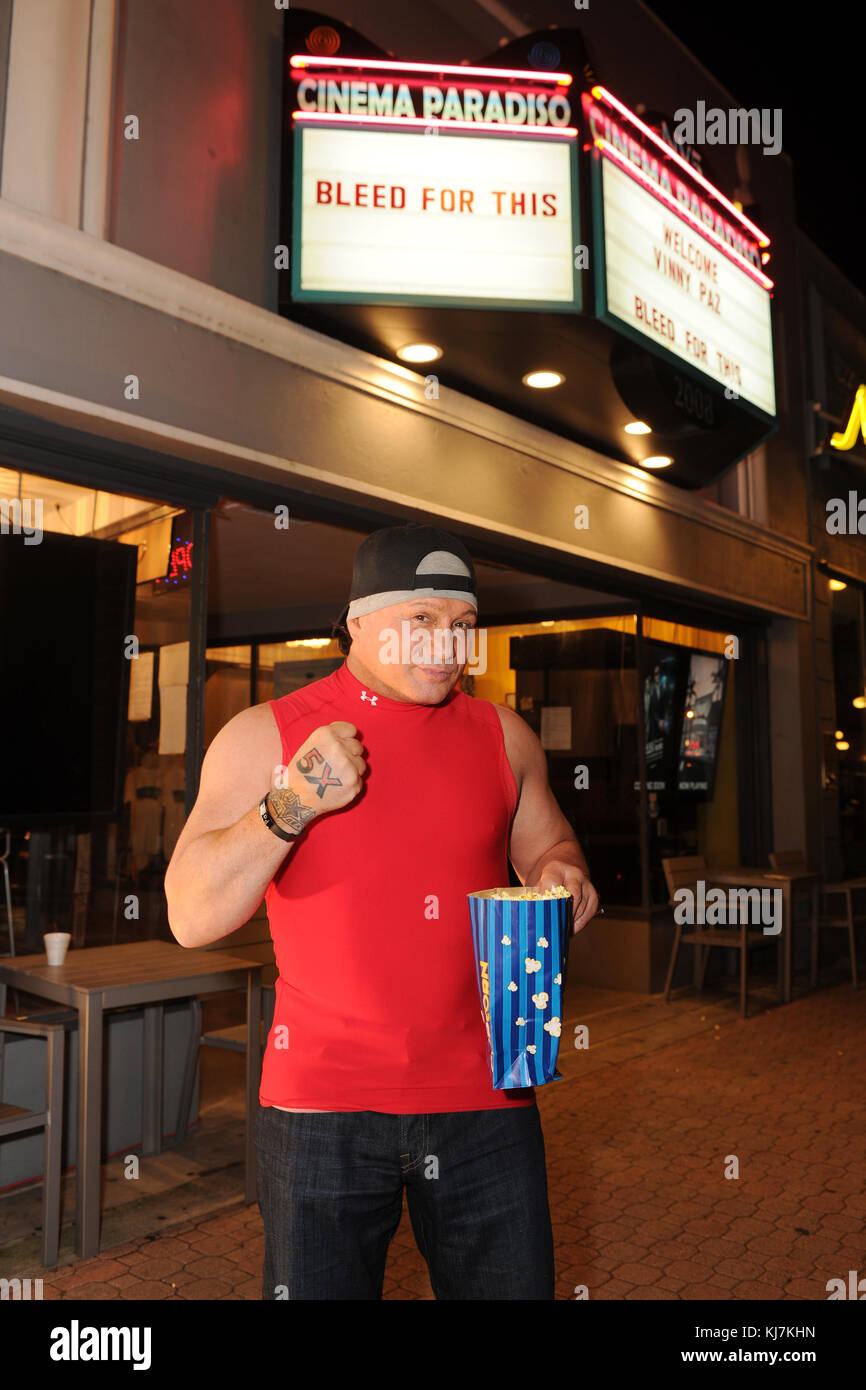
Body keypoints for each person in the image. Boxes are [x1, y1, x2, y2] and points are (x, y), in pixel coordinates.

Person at [165, 523, 599, 1300]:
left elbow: (549, 845)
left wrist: (562, 871)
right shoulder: (264, 735)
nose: (446, 645)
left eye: (462, 626)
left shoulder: (504, 735)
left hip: (486, 1096)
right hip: (321, 1104)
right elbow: (191, 915)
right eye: (420, 620)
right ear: (357, 622)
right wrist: (288, 804)